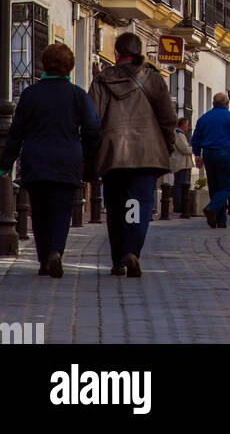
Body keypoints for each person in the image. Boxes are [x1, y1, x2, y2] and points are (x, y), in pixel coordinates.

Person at [0, 42, 101, 278]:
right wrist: (88, 151)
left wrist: (6, 164)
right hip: (67, 158)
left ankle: (44, 258)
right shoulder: (78, 95)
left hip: (36, 158)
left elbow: (16, 133)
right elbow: (93, 127)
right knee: (61, 210)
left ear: (45, 64)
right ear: (69, 67)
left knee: (40, 210)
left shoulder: (30, 94)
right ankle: (56, 251)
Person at [89, 31, 177, 277]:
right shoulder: (153, 78)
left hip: (113, 154)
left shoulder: (102, 79)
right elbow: (168, 118)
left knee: (116, 207)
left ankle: (118, 259)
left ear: (116, 53)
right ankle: (132, 251)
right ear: (138, 51)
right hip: (147, 154)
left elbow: (93, 119)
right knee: (137, 204)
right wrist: (168, 146)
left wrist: (94, 151)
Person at [190, 92, 230, 228]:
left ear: (213, 104)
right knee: (227, 186)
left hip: (209, 154)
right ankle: (212, 208)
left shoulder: (204, 118)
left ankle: (220, 220)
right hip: (226, 155)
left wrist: (197, 155)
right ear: (228, 104)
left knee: (214, 187)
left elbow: (196, 137)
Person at [170, 117, 194, 213]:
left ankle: (179, 204)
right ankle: (178, 206)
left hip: (181, 162)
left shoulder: (178, 134)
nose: (187, 127)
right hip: (181, 163)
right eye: (186, 124)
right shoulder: (179, 135)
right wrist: (193, 149)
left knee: (180, 184)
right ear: (183, 125)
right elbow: (185, 149)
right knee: (180, 185)